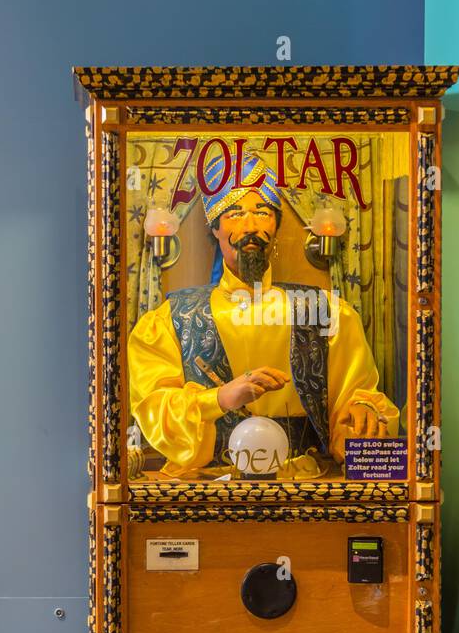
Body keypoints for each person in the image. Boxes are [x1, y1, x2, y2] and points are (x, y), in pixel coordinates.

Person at [127, 152, 398, 476]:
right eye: (236, 213)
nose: (251, 226)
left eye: (262, 212)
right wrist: (221, 398)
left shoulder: (325, 312)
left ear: (277, 225)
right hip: (208, 487)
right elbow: (154, 408)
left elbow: (357, 394)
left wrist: (362, 411)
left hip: (304, 482)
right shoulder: (172, 319)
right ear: (214, 227)